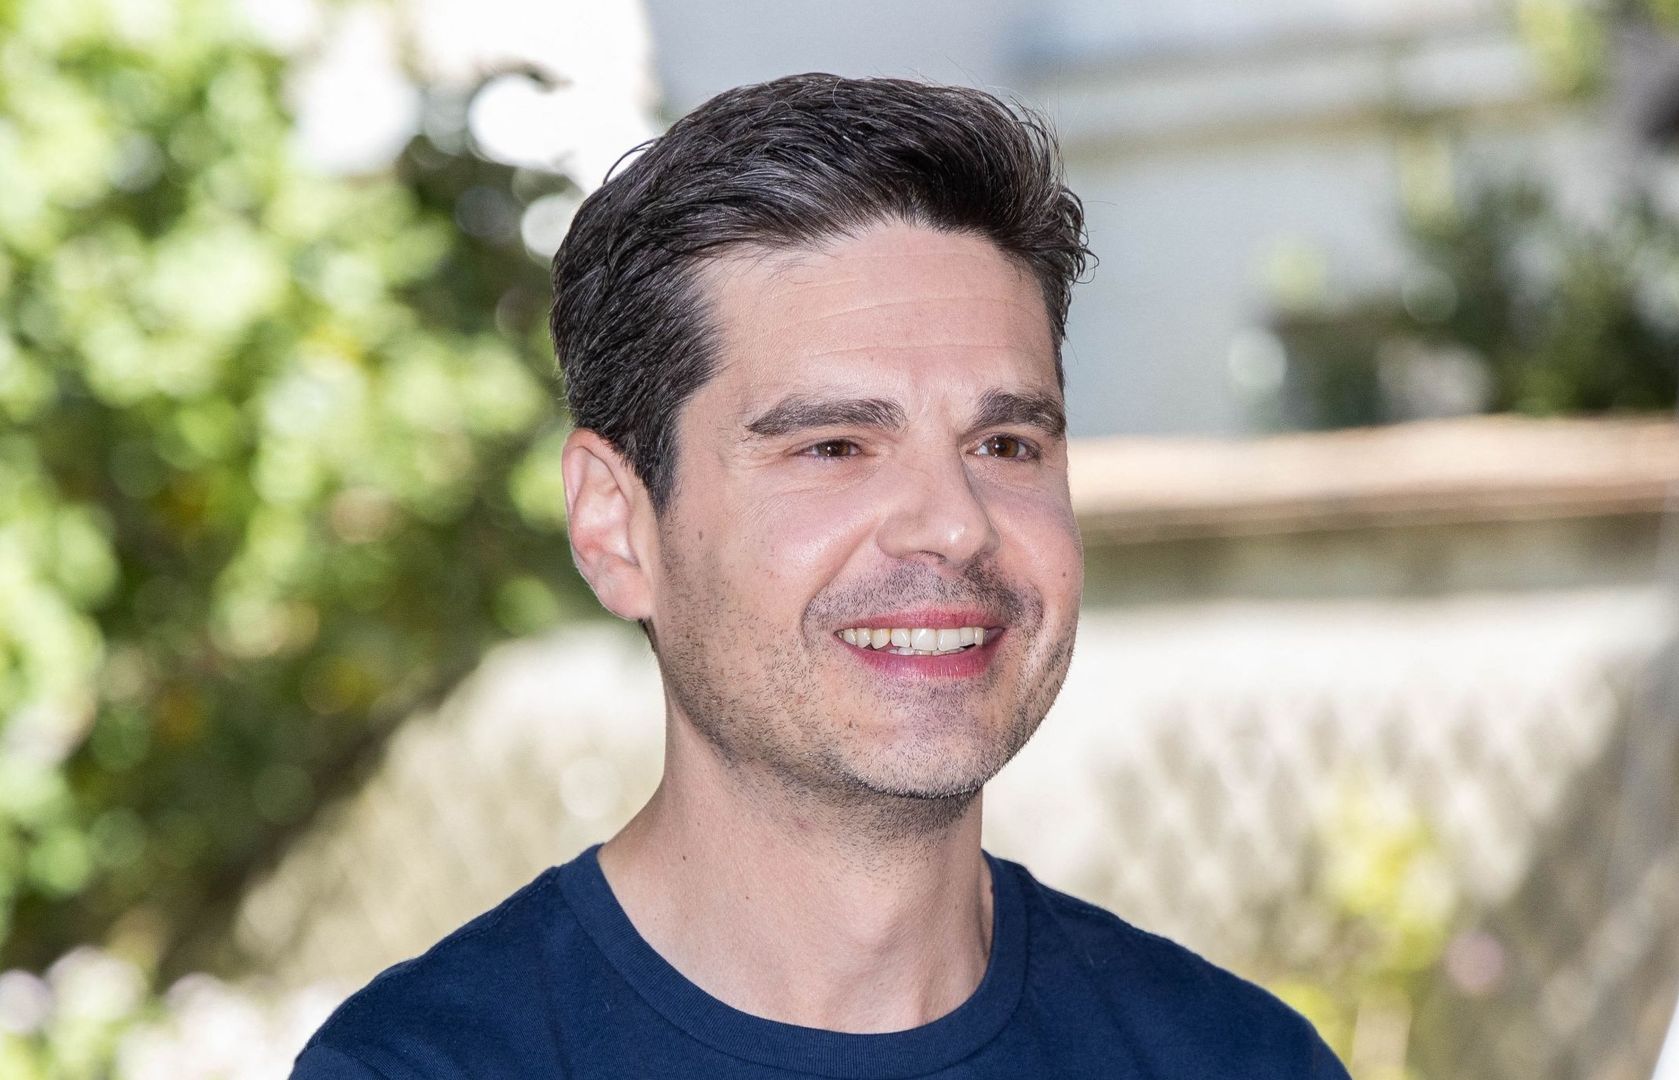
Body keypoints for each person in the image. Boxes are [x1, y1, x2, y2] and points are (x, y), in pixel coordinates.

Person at [291, 73, 1348, 1079]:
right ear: (616, 528)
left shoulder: (1238, 1059)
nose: (954, 526)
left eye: (1007, 446)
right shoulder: (423, 1066)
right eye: (835, 447)